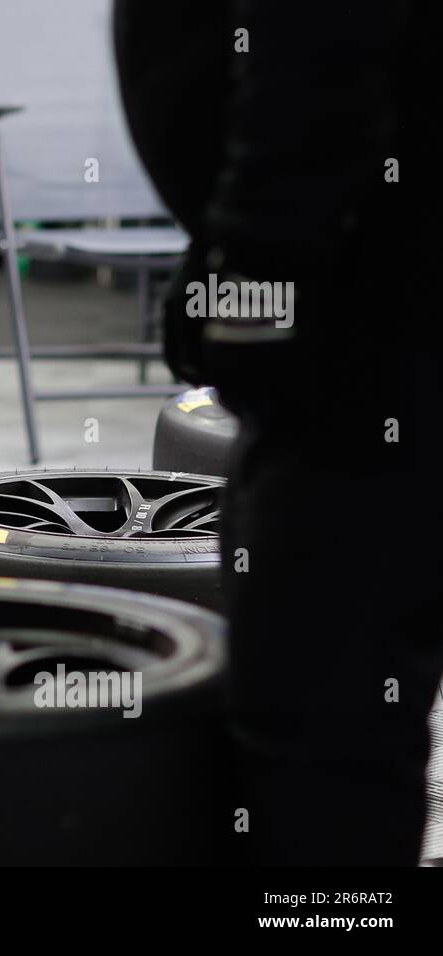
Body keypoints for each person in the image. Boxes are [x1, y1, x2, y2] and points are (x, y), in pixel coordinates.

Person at [115, 1, 438, 864]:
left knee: (321, 739)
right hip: (369, 314)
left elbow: (320, 52)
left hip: (366, 348)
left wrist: (244, 289)